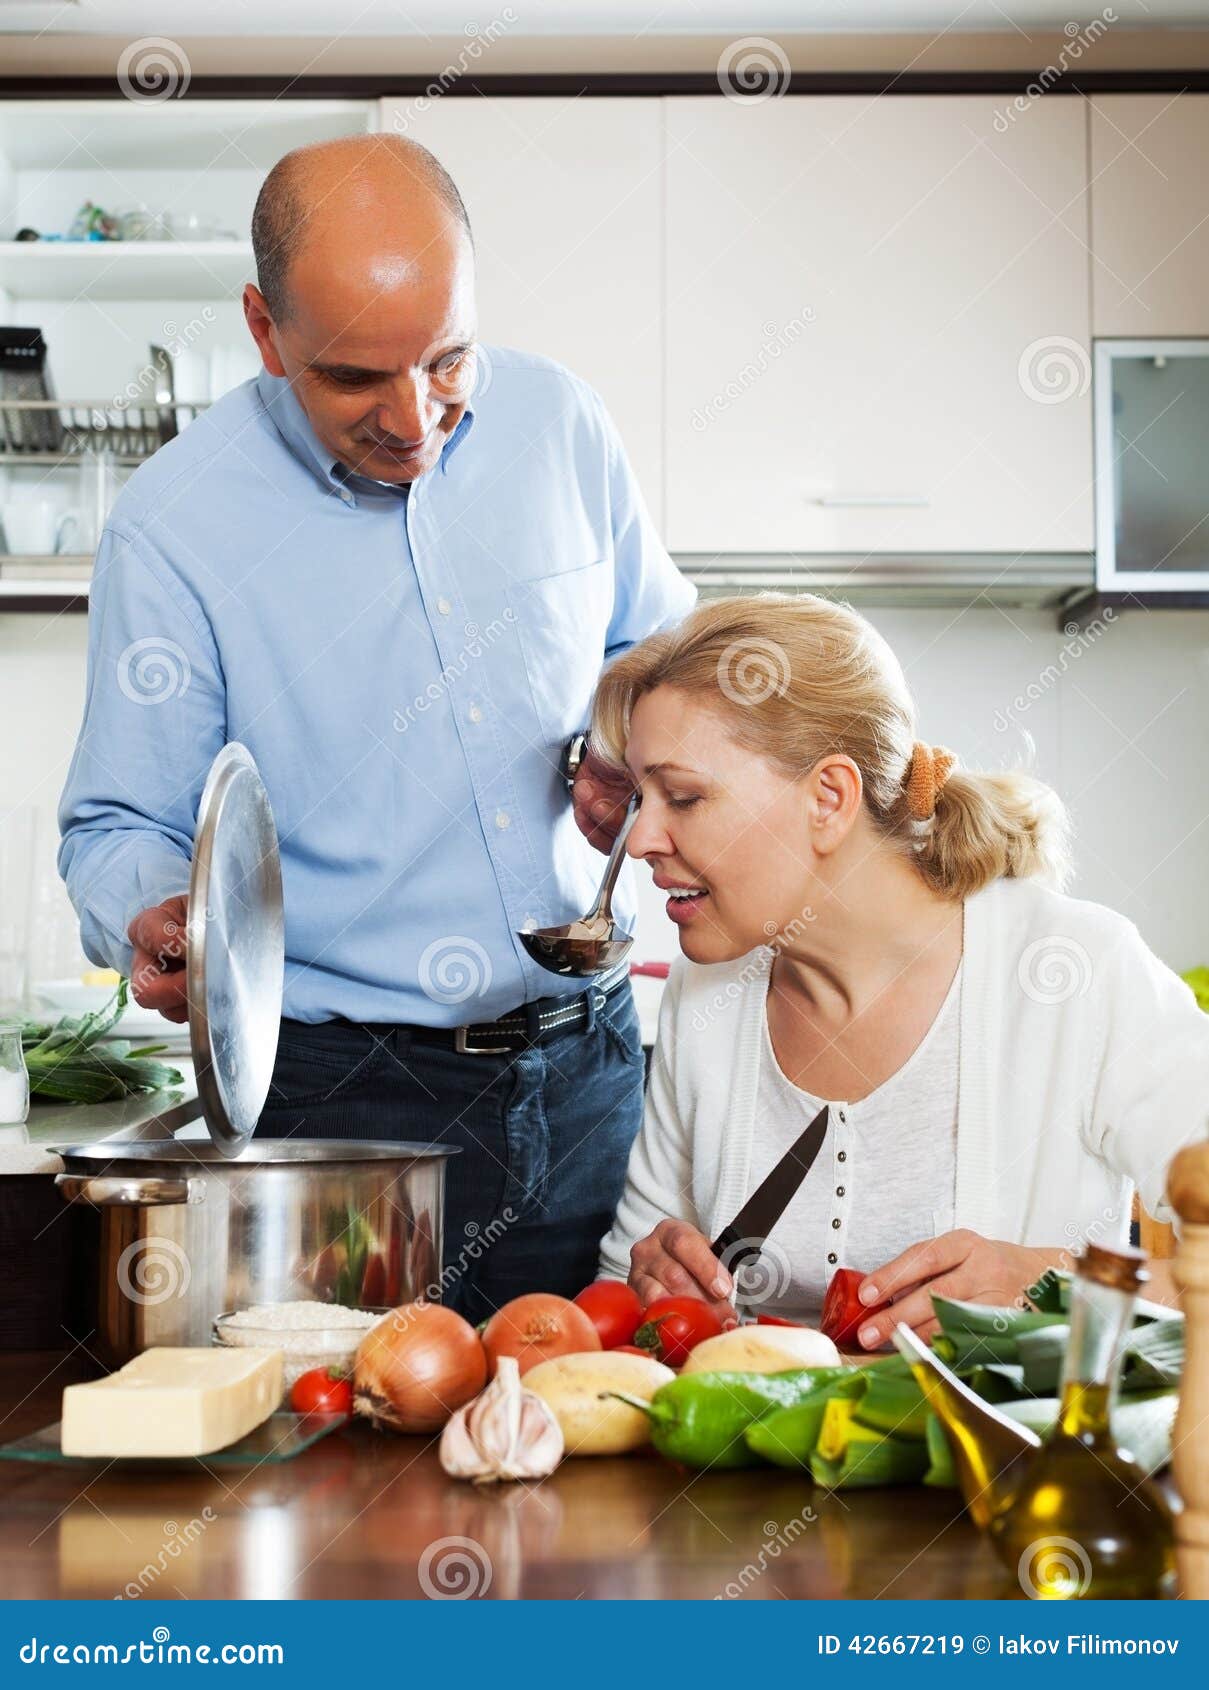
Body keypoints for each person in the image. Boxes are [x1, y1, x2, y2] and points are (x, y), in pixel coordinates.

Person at [58, 134, 693, 1320]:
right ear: (264, 329)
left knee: (608, 1442)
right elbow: (119, 821)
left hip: (597, 1066)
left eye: (447, 358)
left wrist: (624, 751)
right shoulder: (174, 527)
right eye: (355, 378)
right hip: (348, 1108)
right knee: (354, 1458)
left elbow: (658, 657)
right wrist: (156, 910)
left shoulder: (562, 424)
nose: (415, 417)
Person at [593, 595, 1209, 1344]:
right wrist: (650, 1282)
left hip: (1013, 1464)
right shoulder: (707, 992)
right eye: (640, 798)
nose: (639, 838)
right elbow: (621, 1306)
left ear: (829, 798)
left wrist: (1063, 1285)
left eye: (682, 796)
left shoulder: (1075, 970)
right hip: (749, 1461)